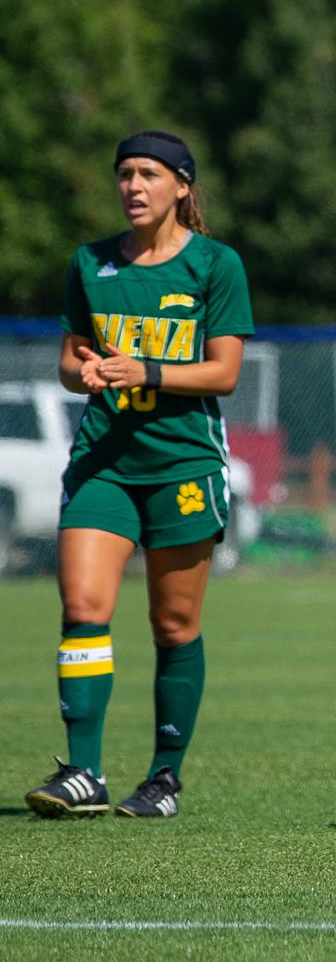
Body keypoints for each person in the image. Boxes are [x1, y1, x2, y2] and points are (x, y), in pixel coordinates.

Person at [25, 131, 253, 821]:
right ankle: (84, 773)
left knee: (174, 623)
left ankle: (163, 776)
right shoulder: (90, 264)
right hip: (104, 463)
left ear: (182, 186)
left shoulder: (215, 264)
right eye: (124, 174)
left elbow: (226, 373)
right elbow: (70, 360)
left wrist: (145, 370)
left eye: (148, 174)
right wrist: (86, 370)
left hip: (182, 464)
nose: (132, 186)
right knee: (82, 607)